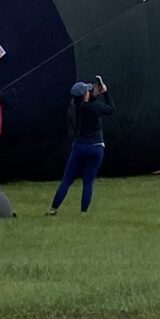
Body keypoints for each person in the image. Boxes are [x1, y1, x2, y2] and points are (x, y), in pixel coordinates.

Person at [50, 77, 112, 216]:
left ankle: (53, 209)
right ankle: (83, 212)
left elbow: (85, 104)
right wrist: (105, 93)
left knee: (66, 180)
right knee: (88, 182)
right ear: (84, 95)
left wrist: (94, 94)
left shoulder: (74, 108)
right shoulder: (95, 107)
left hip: (79, 146)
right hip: (96, 147)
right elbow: (110, 109)